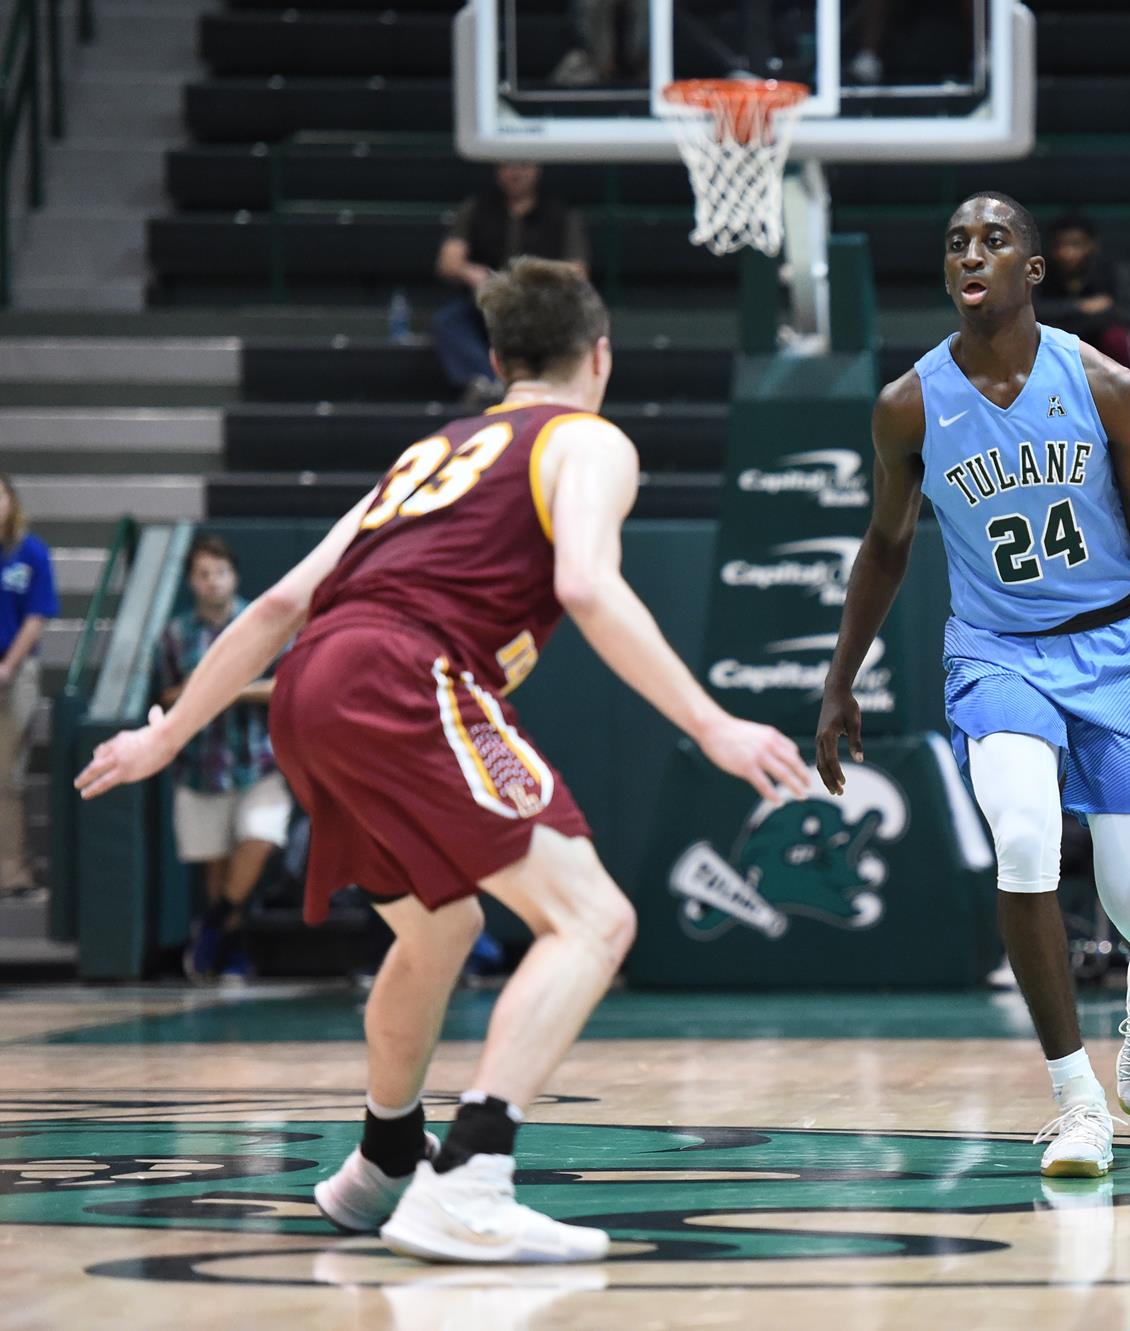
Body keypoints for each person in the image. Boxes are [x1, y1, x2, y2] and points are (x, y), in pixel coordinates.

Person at [78, 257, 811, 1263]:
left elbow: (281, 603)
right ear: (599, 358)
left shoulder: (431, 450)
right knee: (594, 919)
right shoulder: (584, 438)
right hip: (403, 674)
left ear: (501, 361)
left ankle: (382, 1158)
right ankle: (468, 1180)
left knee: (440, 927)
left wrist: (166, 731)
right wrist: (711, 722)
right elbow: (588, 587)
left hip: (309, 687)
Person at [815, 193, 1130, 1178]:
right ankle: (1076, 1100)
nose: (972, 253)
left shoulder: (1104, 386)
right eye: (956, 241)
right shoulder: (907, 404)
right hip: (996, 654)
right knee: (1021, 835)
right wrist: (840, 677)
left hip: (1115, 651)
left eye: (993, 239)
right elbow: (885, 548)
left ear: (1033, 268)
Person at [154, 535, 293, 982]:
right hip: (202, 764)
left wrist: (232, 690)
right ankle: (229, 945)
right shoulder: (177, 634)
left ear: (234, 575)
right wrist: (197, 688)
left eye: (219, 572)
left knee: (261, 837)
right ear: (191, 581)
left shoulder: (262, 622)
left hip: (258, 760)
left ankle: (214, 925)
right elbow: (167, 694)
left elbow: (287, 686)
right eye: (202, 574)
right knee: (216, 862)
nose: (212, 582)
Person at [434, 164, 591, 404]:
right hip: (487, 304)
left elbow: (577, 271)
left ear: (536, 169)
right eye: (508, 166)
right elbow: (448, 261)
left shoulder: (560, 213)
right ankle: (487, 383)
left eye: (523, 166)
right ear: (497, 170)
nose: (516, 173)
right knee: (449, 321)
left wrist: (532, 279)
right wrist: (471, 272)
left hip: (539, 306)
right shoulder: (477, 208)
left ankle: (542, 391)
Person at [0, 473, 57, 897]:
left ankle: (14, 869)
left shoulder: (30, 553)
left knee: (8, 775)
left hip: (13, 673)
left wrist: (6, 667)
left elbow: (36, 617)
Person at [1039, 214, 1130, 375]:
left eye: (1075, 245)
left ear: (1092, 245)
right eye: (1060, 245)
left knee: (1117, 338)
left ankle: (1127, 394)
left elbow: (1127, 314)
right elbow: (1034, 312)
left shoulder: (1113, 270)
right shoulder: (1041, 272)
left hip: (1099, 340)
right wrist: (1080, 307)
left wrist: (1070, 318)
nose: (1067, 253)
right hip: (1059, 341)